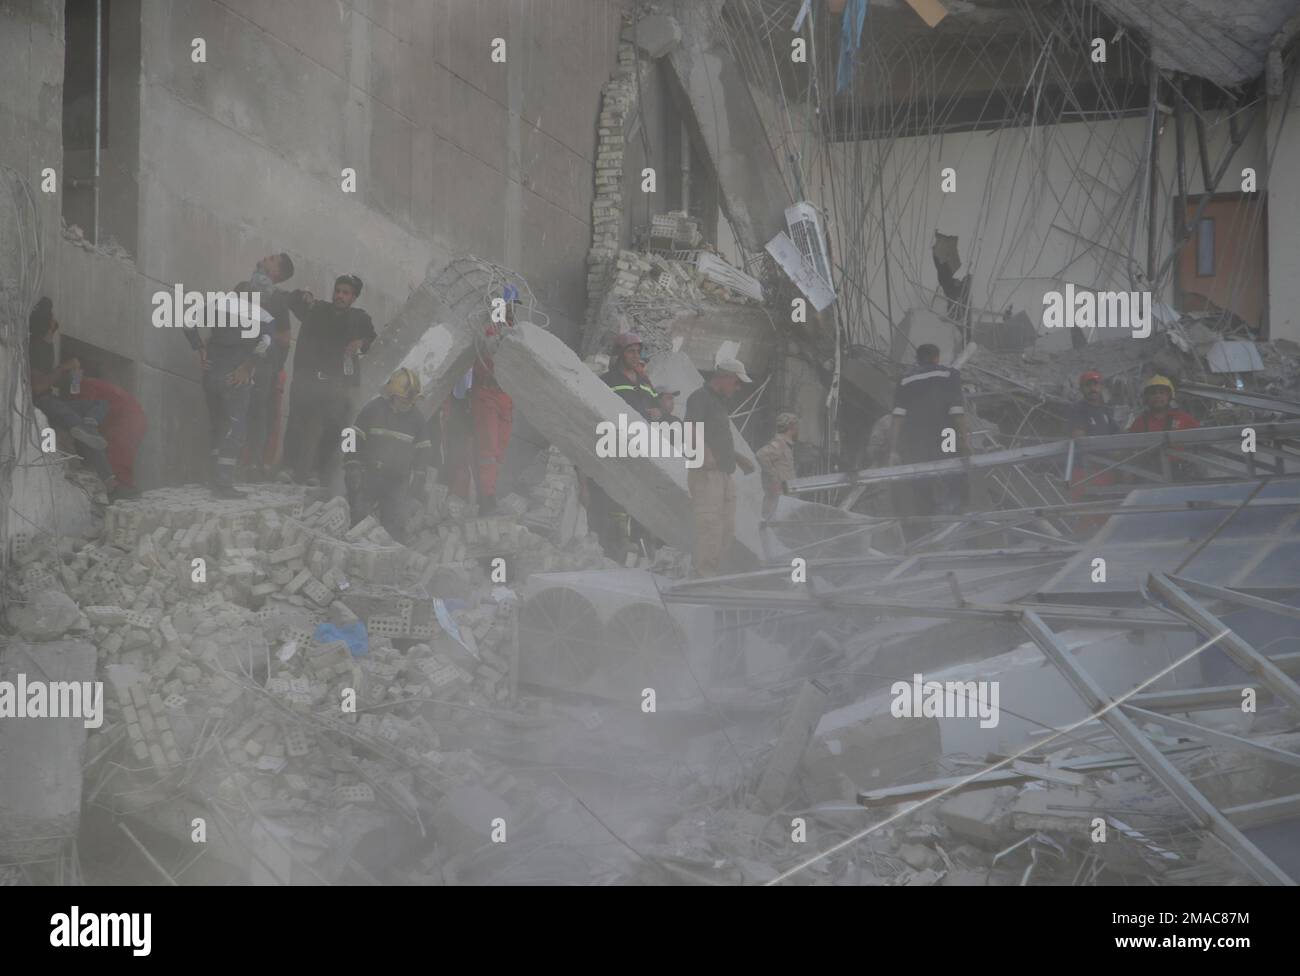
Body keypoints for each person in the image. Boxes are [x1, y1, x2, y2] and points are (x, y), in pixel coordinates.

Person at [26, 298, 125, 498]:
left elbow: (57, 384)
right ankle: (84, 429)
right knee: (81, 427)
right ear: (48, 324)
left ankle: (111, 483)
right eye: (52, 318)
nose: (55, 320)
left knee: (98, 409)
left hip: (55, 401)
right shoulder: (35, 346)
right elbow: (37, 387)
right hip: (41, 403)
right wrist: (63, 367)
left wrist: (72, 376)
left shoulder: (46, 347)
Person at [284, 273, 376, 486]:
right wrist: (303, 295)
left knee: (333, 428)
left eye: (345, 293)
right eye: (338, 291)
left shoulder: (359, 318)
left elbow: (372, 338)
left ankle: (317, 472)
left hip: (337, 385)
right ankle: (288, 468)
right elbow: (291, 301)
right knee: (297, 424)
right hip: (307, 379)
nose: (340, 296)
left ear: (353, 297)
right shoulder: (317, 309)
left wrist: (361, 343)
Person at [887, 344, 968, 539]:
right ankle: (954, 530)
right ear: (937, 358)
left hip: (917, 439)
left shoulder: (905, 379)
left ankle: (927, 532)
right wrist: (965, 442)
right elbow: (957, 411)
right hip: (946, 435)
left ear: (917, 359)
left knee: (922, 485)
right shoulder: (950, 375)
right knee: (952, 477)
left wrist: (893, 449)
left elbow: (898, 417)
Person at [685, 357, 756, 578]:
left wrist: (735, 458)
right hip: (708, 475)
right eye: (736, 382)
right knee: (709, 527)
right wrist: (708, 460)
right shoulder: (700, 398)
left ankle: (715, 574)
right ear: (725, 377)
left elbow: (715, 438)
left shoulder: (718, 402)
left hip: (723, 474)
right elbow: (690, 431)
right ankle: (703, 576)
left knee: (726, 528)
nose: (737, 388)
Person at [344, 367, 432, 541]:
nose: (409, 405)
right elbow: (351, 436)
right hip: (368, 475)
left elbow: (424, 451)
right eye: (404, 400)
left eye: (412, 401)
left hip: (397, 481)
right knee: (358, 521)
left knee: (393, 527)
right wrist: (351, 464)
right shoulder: (373, 409)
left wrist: (420, 478)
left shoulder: (417, 419)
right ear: (392, 396)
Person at [453, 285, 517, 515]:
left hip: (505, 395)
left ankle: (491, 493)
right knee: (487, 448)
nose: (509, 311)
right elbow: (490, 346)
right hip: (486, 393)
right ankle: (486, 498)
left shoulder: (515, 331)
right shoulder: (487, 330)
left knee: (499, 449)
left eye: (511, 307)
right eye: (505, 306)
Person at [71, 366, 146, 498]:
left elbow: (83, 408)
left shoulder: (86, 384)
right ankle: (123, 491)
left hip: (126, 418)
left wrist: (73, 373)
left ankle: (123, 492)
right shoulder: (99, 385)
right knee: (119, 454)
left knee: (117, 454)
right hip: (132, 417)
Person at [243, 317, 293, 479]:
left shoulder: (275, 304)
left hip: (270, 370)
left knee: (266, 418)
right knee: (251, 417)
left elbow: (285, 340)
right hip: (250, 365)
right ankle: (249, 463)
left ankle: (260, 464)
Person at [1128, 375, 1201, 481]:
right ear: (1146, 398)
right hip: (1150, 475)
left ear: (1169, 396)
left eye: (1162, 393)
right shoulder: (1140, 422)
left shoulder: (1182, 418)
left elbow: (1202, 438)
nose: (1158, 396)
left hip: (1181, 474)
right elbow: (1129, 447)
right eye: (1153, 393)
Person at [601, 333, 660, 419]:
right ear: (620, 354)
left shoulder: (645, 381)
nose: (636, 356)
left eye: (638, 351)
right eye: (631, 351)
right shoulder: (607, 380)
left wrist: (658, 412)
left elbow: (658, 405)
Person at [756, 412, 798, 518]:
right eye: (796, 424)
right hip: (777, 498)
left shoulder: (786, 444)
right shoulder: (780, 443)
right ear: (791, 426)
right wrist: (775, 480)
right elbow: (761, 455)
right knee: (773, 528)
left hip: (785, 497)